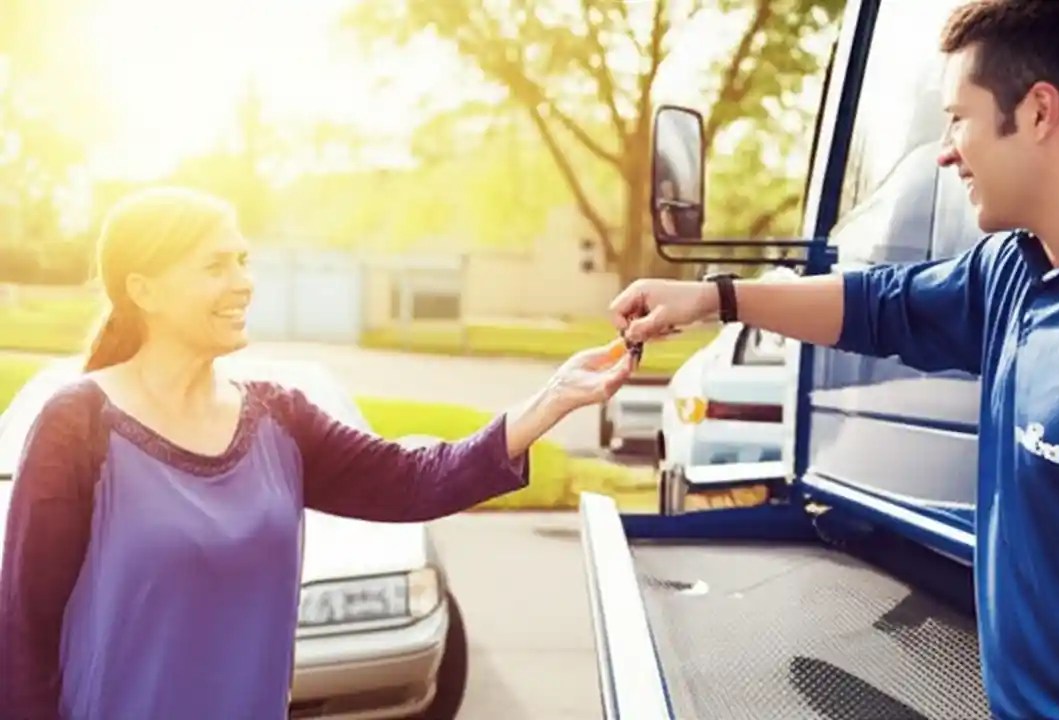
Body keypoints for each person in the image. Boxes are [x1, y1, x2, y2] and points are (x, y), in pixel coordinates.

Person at [610, 2, 1059, 719]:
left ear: (1038, 113)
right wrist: (715, 299)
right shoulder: (1014, 272)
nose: (945, 150)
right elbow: (879, 305)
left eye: (958, 117)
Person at [0, 186, 634, 719]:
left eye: (244, 261)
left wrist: (551, 400)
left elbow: (412, 482)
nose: (244, 282)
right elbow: (23, 627)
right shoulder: (78, 422)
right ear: (145, 288)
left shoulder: (279, 416)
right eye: (215, 265)